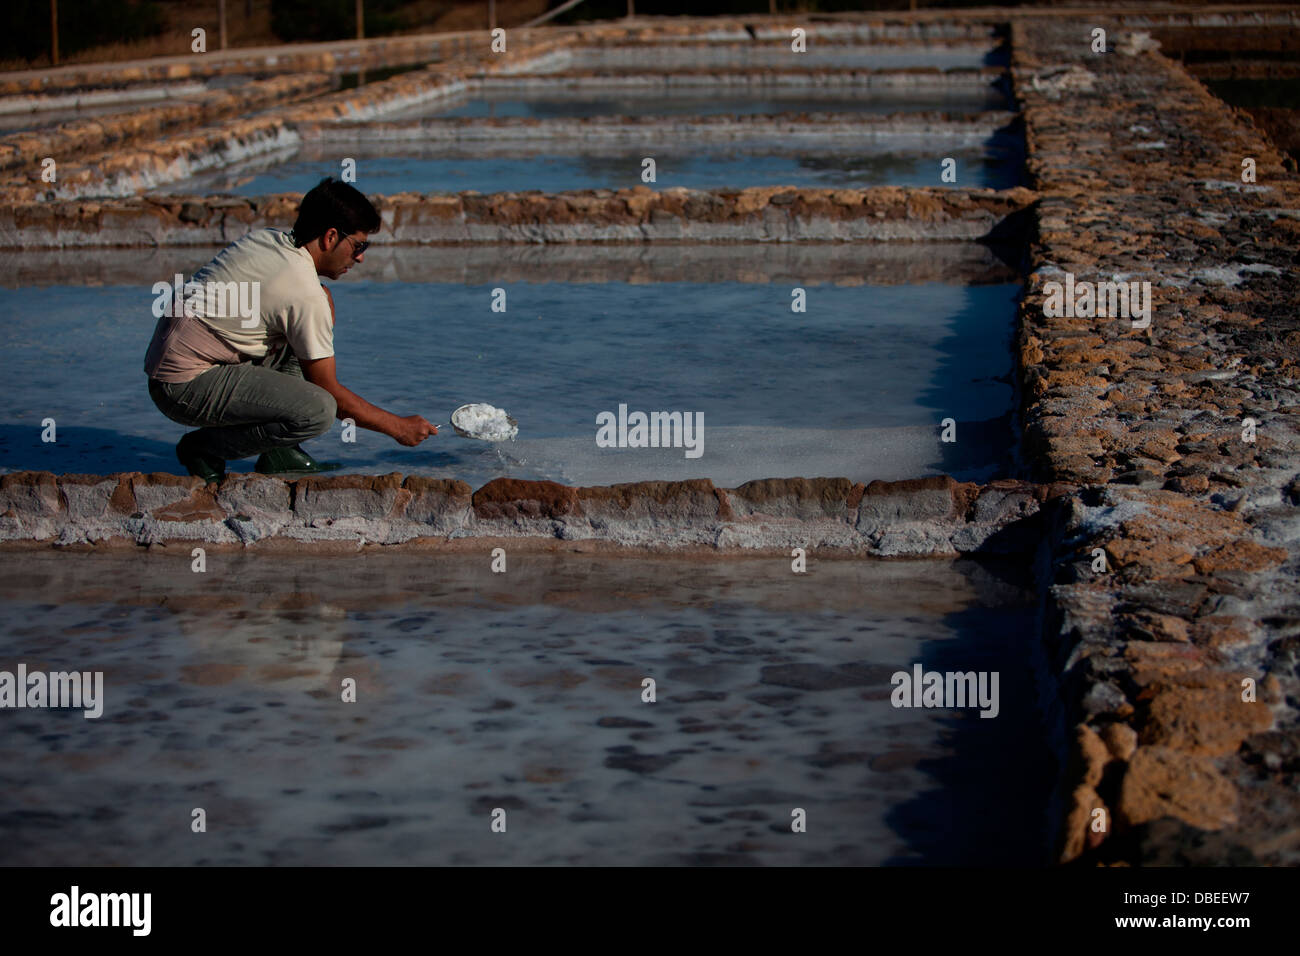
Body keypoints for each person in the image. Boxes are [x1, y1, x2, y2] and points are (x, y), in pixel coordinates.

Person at [143, 177, 439, 482]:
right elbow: (329, 392)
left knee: (315, 315)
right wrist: (397, 427)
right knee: (318, 409)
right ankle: (204, 449)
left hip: (177, 363)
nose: (361, 257)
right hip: (182, 386)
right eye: (358, 246)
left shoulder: (268, 240)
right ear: (330, 237)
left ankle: (279, 452)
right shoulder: (302, 291)